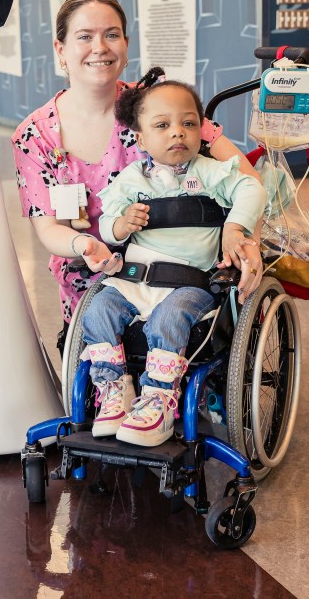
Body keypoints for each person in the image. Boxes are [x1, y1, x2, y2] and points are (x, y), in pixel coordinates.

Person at [12, 0, 263, 354]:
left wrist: (244, 239)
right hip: (94, 288)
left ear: (126, 45)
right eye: (84, 36)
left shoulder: (158, 109)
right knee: (96, 395)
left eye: (111, 34)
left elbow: (247, 178)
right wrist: (85, 244)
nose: (100, 47)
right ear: (60, 49)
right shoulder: (35, 136)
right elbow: (48, 228)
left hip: (181, 275)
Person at [81, 68, 267, 447]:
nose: (177, 132)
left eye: (188, 123)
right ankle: (115, 391)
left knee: (170, 318)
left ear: (201, 130)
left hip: (187, 284)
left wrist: (235, 228)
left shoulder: (211, 172)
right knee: (97, 309)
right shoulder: (131, 179)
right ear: (141, 137)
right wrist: (121, 226)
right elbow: (105, 227)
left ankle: (159, 400)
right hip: (133, 280)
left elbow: (252, 188)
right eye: (162, 125)